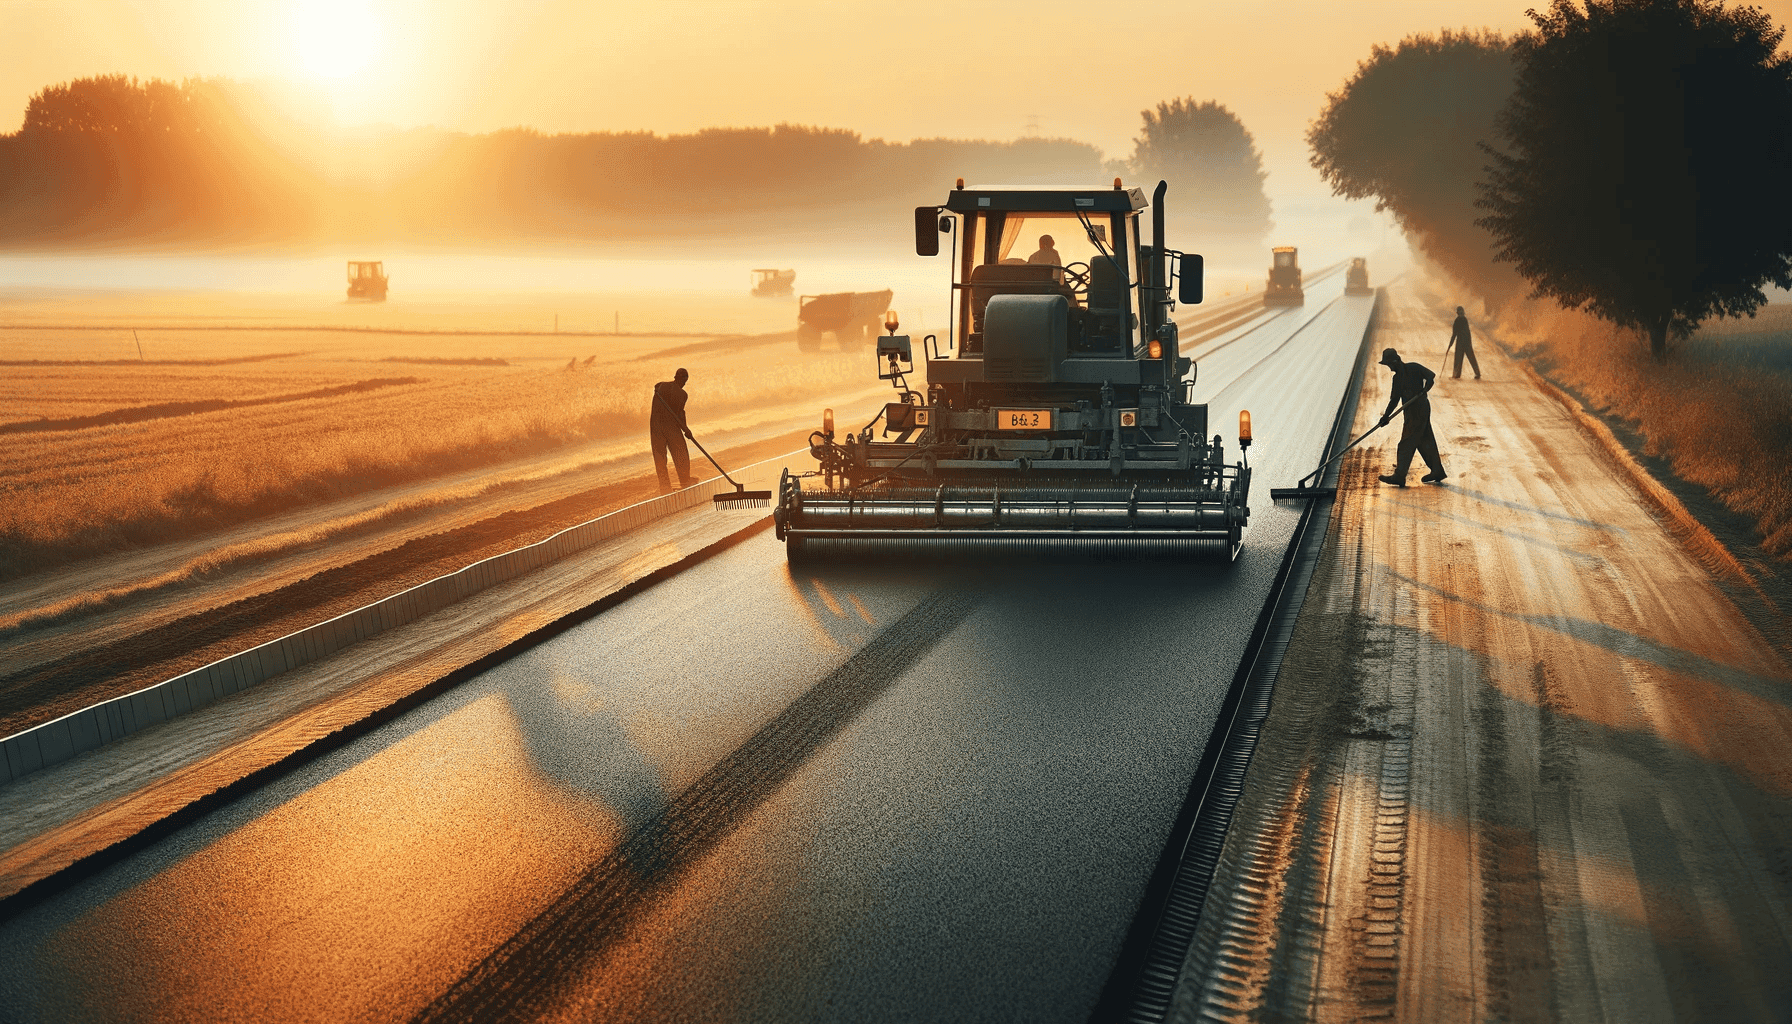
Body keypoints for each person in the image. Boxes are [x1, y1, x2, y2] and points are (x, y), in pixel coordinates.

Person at [1377, 348, 1447, 486]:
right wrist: (1386, 416)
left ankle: (1399, 475)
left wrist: (1426, 389)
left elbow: (1431, 377)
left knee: (1406, 443)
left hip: (1418, 410)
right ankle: (1437, 471)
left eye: (1389, 365)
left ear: (1396, 361)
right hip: (1413, 411)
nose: (1390, 368)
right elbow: (1394, 400)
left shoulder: (1414, 368)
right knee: (1424, 440)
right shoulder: (1397, 378)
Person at [650, 368, 695, 492]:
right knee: (680, 453)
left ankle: (664, 486)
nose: (684, 383)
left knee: (660, 457)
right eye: (684, 380)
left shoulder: (660, 387)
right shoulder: (682, 395)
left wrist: (686, 430)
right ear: (680, 378)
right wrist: (686, 430)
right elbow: (680, 415)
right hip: (669, 427)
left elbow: (657, 385)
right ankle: (684, 481)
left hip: (655, 427)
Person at [1449, 305, 1481, 379]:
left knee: (1459, 359)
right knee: (1469, 358)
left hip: (1462, 343)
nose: (1461, 314)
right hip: (1466, 342)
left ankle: (1457, 375)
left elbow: (1454, 334)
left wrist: (1451, 344)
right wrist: (1451, 343)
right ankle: (1477, 373)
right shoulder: (1464, 320)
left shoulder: (1457, 321)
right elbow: (1458, 333)